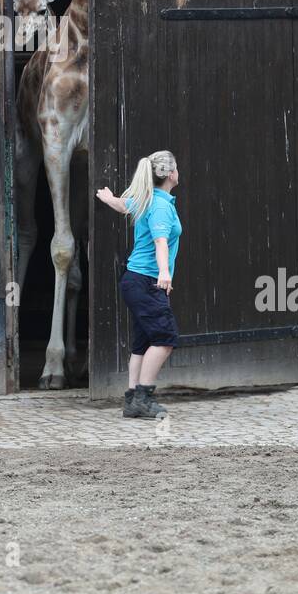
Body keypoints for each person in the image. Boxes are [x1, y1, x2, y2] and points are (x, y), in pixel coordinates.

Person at [96, 150, 182, 419]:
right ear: (170, 174)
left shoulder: (146, 200)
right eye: (176, 168)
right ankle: (144, 397)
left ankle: (132, 400)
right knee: (165, 338)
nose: (178, 172)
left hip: (135, 281)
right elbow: (160, 242)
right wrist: (165, 273)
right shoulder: (159, 207)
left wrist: (109, 198)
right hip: (147, 282)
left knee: (142, 343)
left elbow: (124, 206)